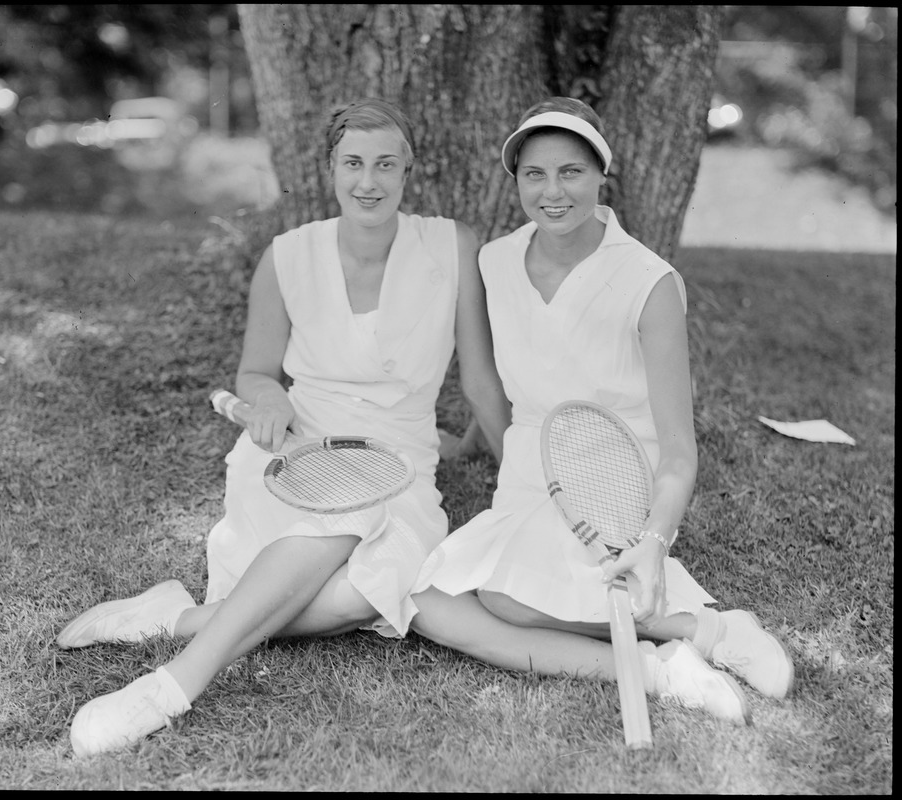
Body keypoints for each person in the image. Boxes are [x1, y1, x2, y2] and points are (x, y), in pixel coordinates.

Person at [56, 97, 510, 757]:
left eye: (386, 164)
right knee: (340, 529)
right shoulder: (287, 257)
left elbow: (479, 385)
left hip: (400, 459)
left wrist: (523, 487)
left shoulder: (452, 245)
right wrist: (266, 402)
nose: (369, 181)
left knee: (367, 593)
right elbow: (256, 372)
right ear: (330, 168)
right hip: (302, 449)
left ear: (410, 169)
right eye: (353, 162)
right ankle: (172, 687)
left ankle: (177, 619)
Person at [409, 97, 794, 724]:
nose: (552, 191)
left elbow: (677, 449)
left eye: (571, 172)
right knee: (426, 602)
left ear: (600, 175)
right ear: (515, 180)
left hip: (617, 471)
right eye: (534, 174)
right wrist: (491, 447)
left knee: (506, 602)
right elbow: (504, 378)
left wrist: (653, 539)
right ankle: (660, 665)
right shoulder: (495, 261)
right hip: (533, 471)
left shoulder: (650, 280)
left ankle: (716, 629)